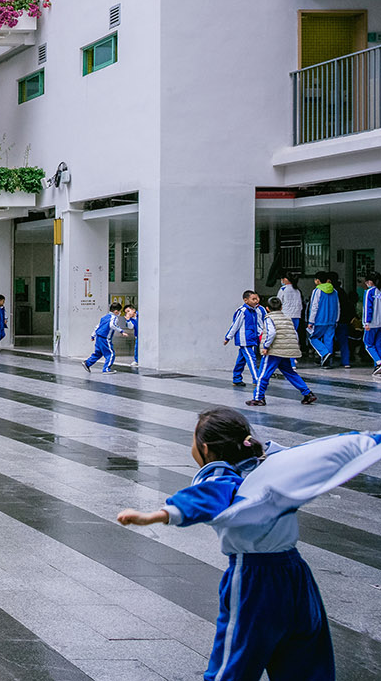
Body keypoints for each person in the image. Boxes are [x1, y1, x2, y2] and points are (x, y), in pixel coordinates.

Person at [115, 408, 381, 681]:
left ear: (205, 448)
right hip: (296, 574)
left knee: (234, 662)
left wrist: (157, 515)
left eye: (193, 441)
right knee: (305, 661)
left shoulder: (222, 478)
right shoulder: (268, 466)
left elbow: (208, 496)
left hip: (253, 577)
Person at [253, 297, 316, 407]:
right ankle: (308, 393)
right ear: (281, 307)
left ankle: (258, 398)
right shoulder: (287, 318)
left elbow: (271, 333)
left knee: (263, 374)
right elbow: (294, 334)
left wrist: (266, 346)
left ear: (267, 308)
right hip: (285, 350)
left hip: (273, 351)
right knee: (290, 373)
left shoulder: (269, 318)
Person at [223, 291, 269, 391]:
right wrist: (228, 337)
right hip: (244, 339)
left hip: (253, 338)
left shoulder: (259, 310)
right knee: (251, 358)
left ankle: (237, 378)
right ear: (246, 300)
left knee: (242, 358)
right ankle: (257, 379)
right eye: (253, 299)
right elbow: (235, 325)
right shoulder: (242, 311)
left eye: (257, 298)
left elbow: (262, 323)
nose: (256, 301)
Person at [307, 273, 340, 366]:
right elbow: (338, 306)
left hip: (320, 320)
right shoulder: (334, 291)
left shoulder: (317, 291)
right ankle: (327, 362)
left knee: (313, 338)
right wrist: (336, 319)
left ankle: (325, 353)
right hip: (332, 320)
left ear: (318, 280)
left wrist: (311, 321)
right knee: (329, 339)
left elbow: (314, 307)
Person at [84, 304, 125, 374]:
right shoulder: (114, 317)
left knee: (98, 353)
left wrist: (93, 335)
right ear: (116, 311)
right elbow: (112, 325)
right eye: (119, 311)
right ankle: (106, 369)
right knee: (110, 354)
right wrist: (121, 331)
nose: (120, 313)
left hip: (98, 337)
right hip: (105, 338)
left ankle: (87, 363)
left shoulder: (104, 317)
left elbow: (97, 326)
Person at [277, 274, 304, 348]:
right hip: (296, 316)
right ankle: (294, 353)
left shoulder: (283, 289)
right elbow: (300, 305)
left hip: (286, 316)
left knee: (285, 336)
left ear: (285, 279)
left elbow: (278, 302)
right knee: (294, 334)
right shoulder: (297, 290)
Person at [364, 272, 381, 376]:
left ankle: (379, 363)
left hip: (372, 323)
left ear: (370, 282)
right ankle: (378, 365)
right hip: (380, 324)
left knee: (368, 344)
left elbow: (367, 308)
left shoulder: (370, 292)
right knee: (378, 345)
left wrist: (366, 322)